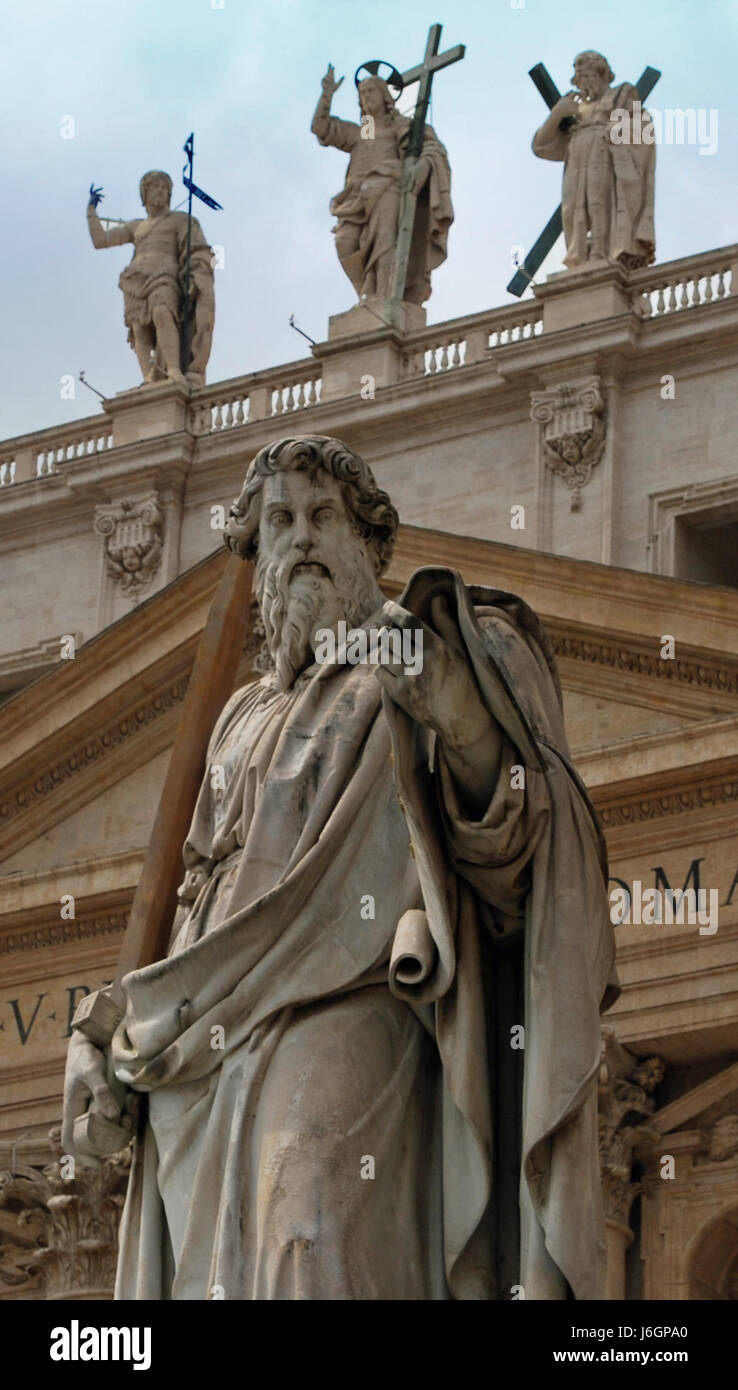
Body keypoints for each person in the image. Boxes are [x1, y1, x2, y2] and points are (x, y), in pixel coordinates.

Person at [63, 435, 617, 1301]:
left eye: (325, 516)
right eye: (280, 521)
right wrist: (111, 1031)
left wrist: (456, 713)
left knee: (306, 1215)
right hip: (210, 1034)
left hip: (347, 996)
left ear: (372, 545)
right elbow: (191, 898)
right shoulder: (240, 715)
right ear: (258, 561)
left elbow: (514, 843)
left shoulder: (414, 659)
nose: (303, 537)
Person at [311, 67, 453, 304]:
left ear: (384, 96)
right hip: (356, 196)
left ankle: (384, 299)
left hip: (389, 186)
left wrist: (422, 167)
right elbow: (321, 129)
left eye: (370, 92)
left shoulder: (397, 125)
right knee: (344, 241)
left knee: (385, 243)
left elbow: (432, 148)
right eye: (362, 94)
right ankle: (365, 295)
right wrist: (327, 94)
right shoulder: (365, 131)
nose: (365, 97)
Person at [86, 170, 215, 385]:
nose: (160, 191)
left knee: (162, 312)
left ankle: (173, 370)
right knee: (139, 327)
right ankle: (149, 377)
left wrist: (195, 275)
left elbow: (198, 250)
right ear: (144, 194)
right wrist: (91, 212)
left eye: (165, 188)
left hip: (165, 276)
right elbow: (101, 241)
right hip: (134, 280)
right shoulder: (137, 226)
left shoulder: (181, 220)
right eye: (155, 186)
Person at [532, 51, 655, 269]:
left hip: (606, 154)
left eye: (588, 75)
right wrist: (557, 114)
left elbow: (641, 126)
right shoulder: (573, 108)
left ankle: (600, 253)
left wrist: (615, 131)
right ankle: (577, 257)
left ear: (602, 73)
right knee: (570, 209)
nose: (583, 82)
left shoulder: (622, 95)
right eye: (579, 78)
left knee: (599, 203)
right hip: (576, 156)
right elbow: (540, 145)